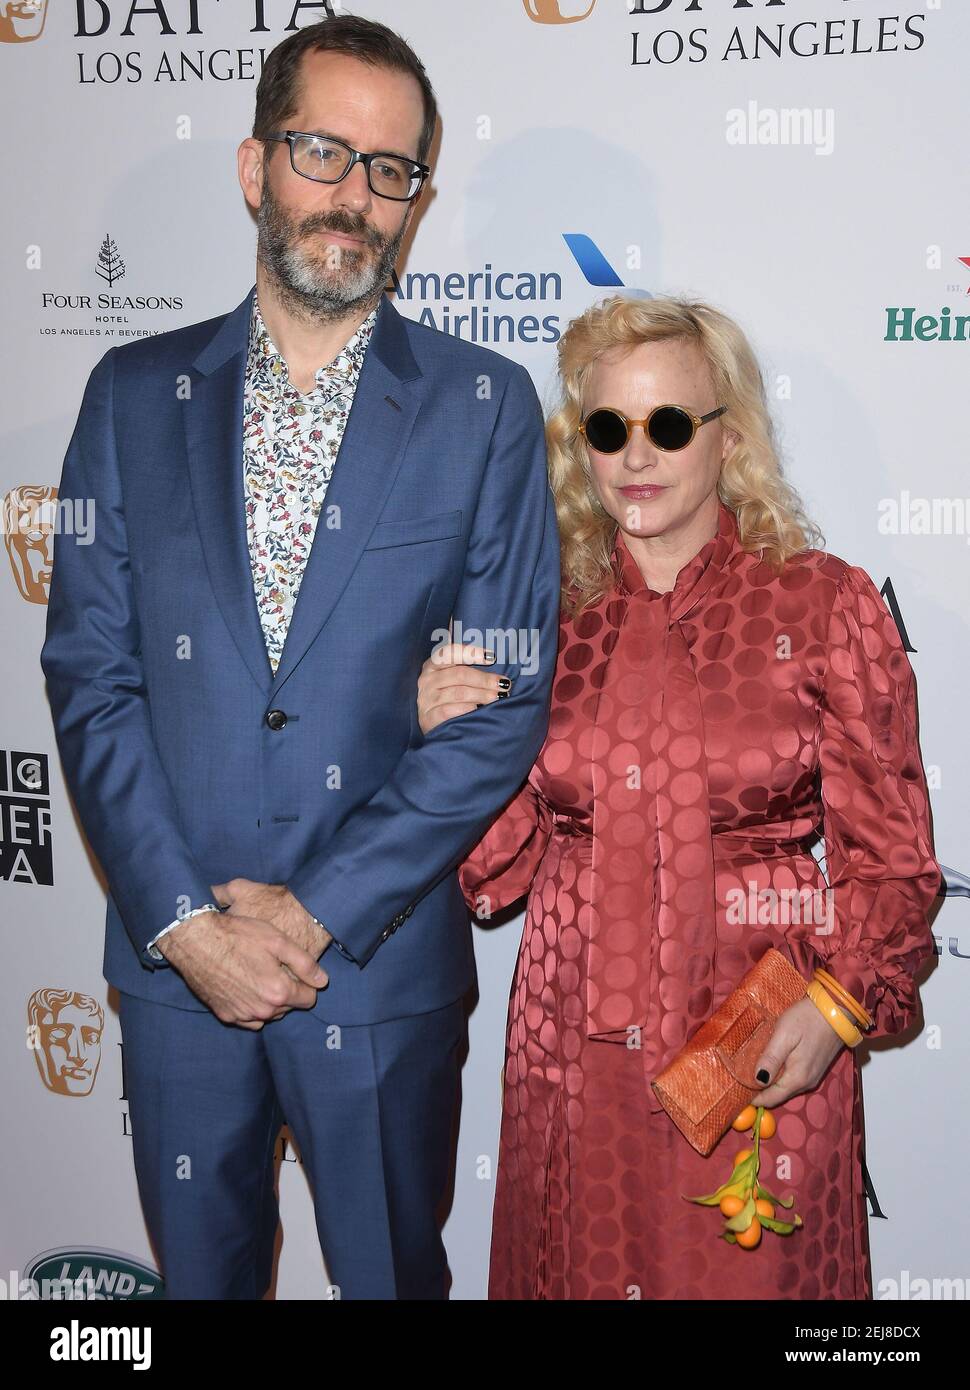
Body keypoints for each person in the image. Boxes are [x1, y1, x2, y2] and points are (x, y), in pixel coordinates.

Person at [40, 16, 560, 1300]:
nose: (353, 197)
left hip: (375, 968)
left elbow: (503, 705)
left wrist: (313, 912)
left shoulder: (485, 408)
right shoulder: (128, 392)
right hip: (179, 972)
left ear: (419, 199)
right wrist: (181, 923)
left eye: (390, 170)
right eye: (323, 152)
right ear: (253, 165)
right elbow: (90, 675)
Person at [417, 293, 941, 1300]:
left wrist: (833, 1009)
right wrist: (450, 740)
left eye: (666, 425)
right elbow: (500, 870)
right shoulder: (550, 620)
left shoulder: (822, 602)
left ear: (727, 438)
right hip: (569, 1044)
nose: (636, 456)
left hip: (759, 1036)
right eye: (607, 428)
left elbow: (893, 860)